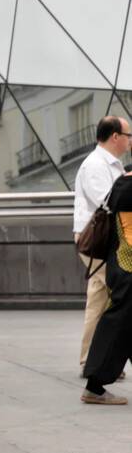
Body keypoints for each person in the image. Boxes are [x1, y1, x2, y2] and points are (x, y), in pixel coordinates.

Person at [73, 116, 130, 378]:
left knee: (100, 299)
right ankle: (95, 362)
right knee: (118, 299)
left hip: (107, 242)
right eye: (128, 135)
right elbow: (108, 203)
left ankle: (91, 360)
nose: (131, 141)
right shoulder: (95, 165)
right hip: (96, 243)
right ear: (115, 136)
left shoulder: (110, 164)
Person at [80, 169, 132, 403]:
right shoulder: (128, 188)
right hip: (128, 265)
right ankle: (94, 385)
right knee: (118, 322)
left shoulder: (122, 183)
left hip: (121, 265)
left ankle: (95, 385)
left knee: (125, 323)